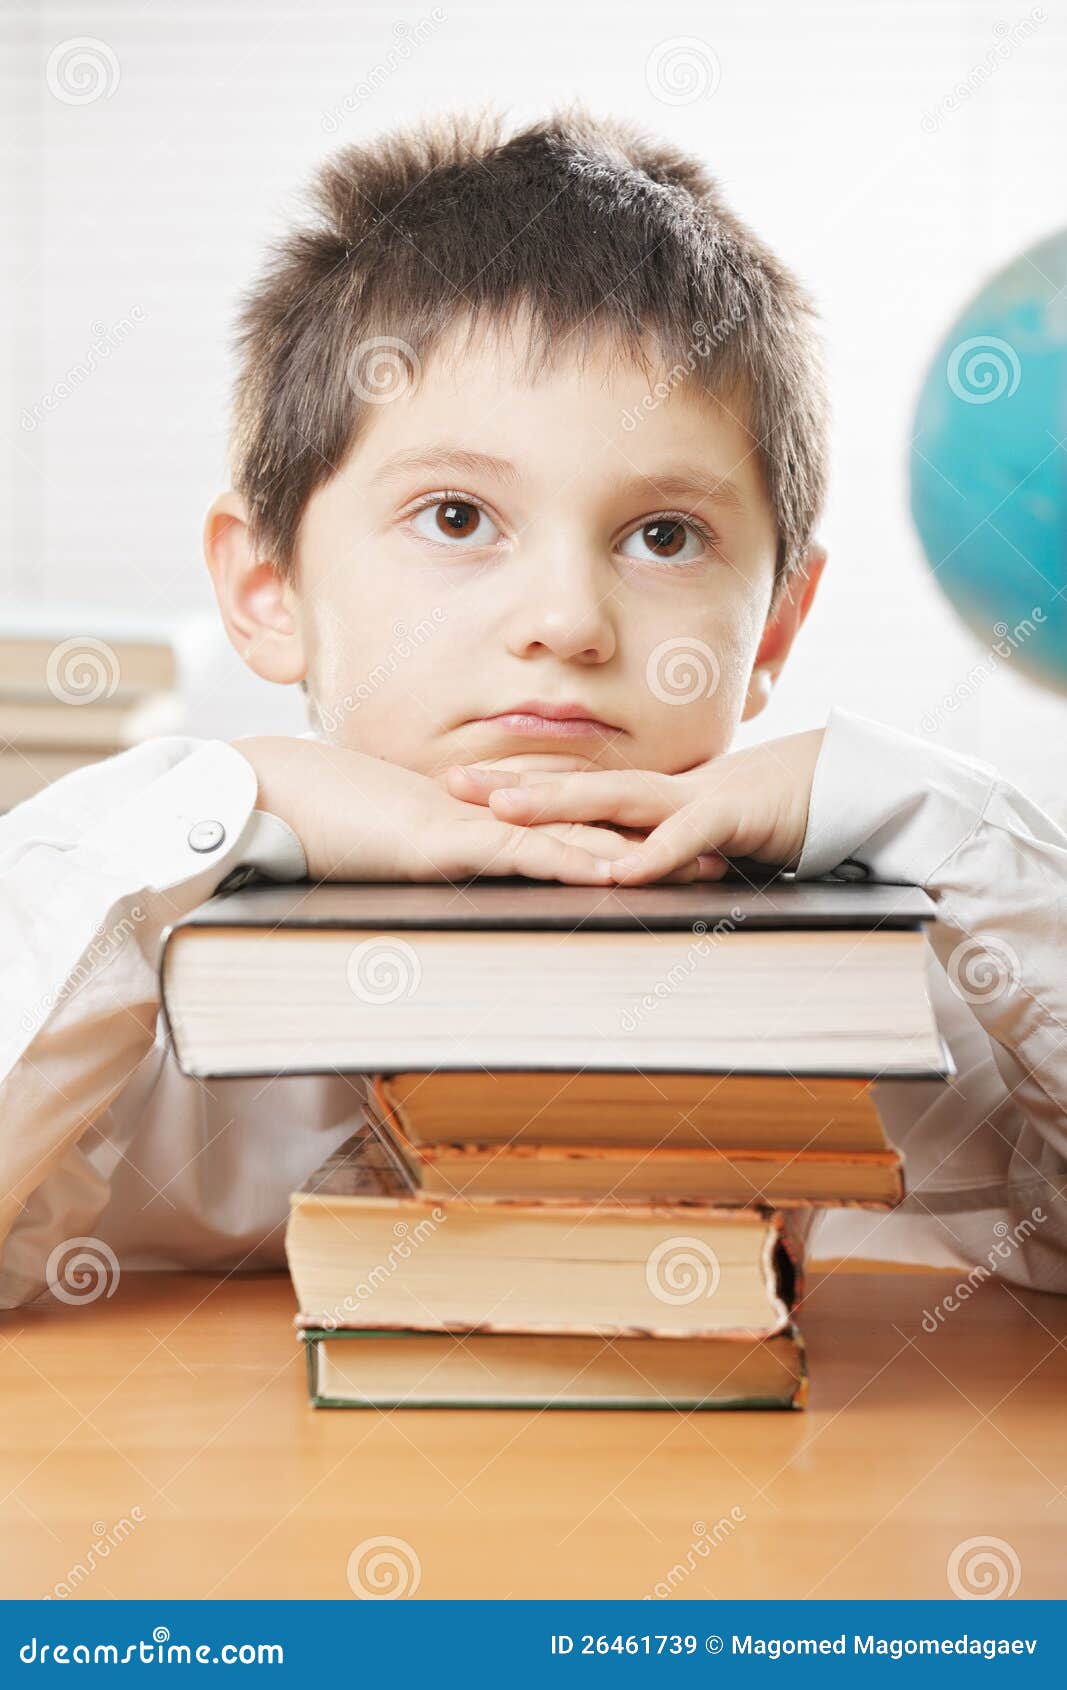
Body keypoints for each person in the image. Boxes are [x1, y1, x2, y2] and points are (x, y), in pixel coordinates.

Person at [3, 105, 1065, 1310]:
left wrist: (922, 811)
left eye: (664, 535)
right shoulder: (122, 964)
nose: (567, 620)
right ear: (266, 588)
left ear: (770, 625)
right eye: (456, 516)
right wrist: (229, 800)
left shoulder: (870, 988)